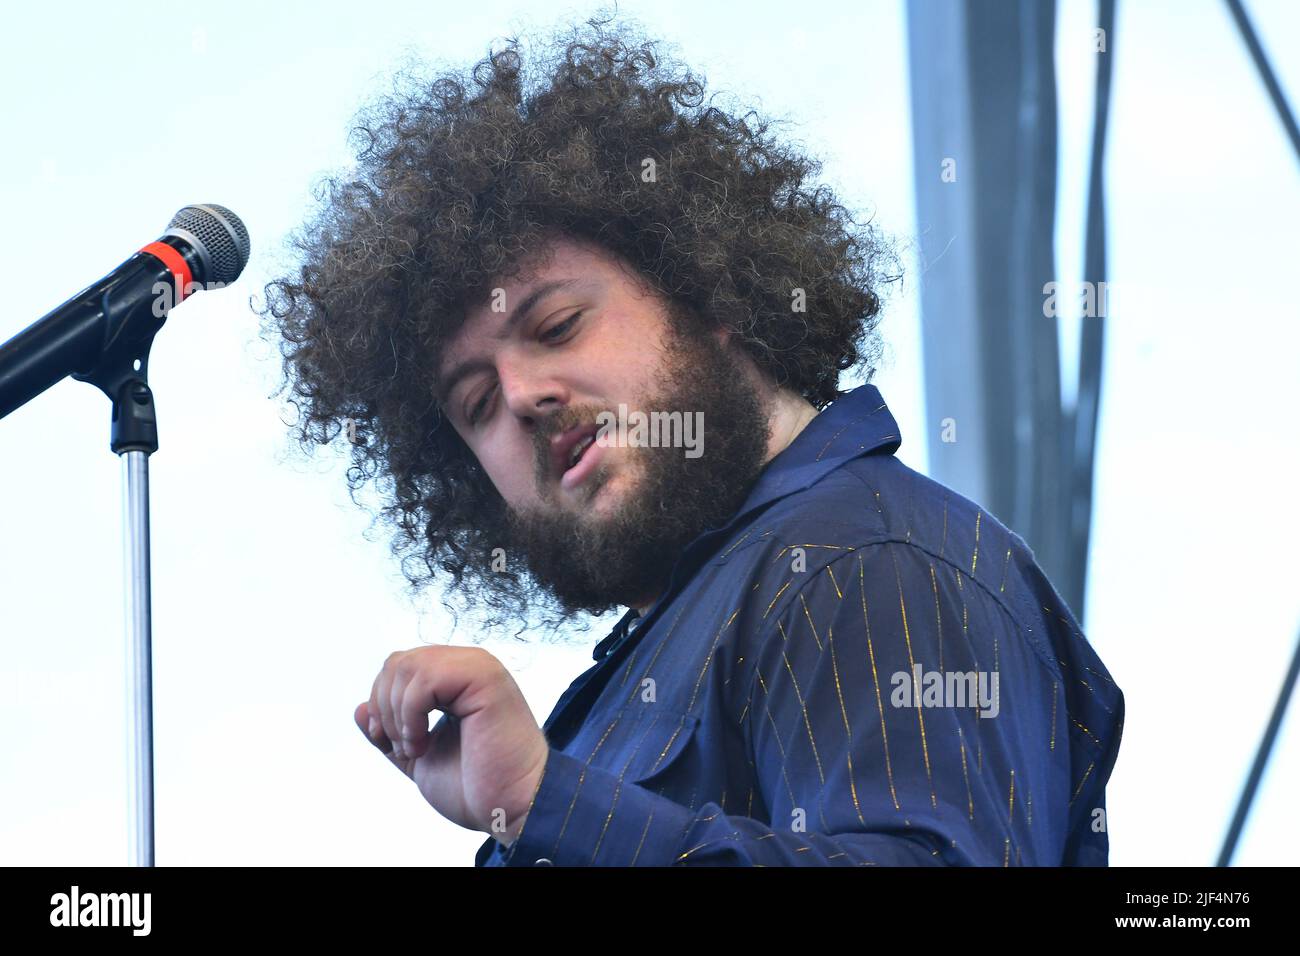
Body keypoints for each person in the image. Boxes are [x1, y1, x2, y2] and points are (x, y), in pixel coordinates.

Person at [257, 16, 1123, 866]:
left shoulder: (858, 557)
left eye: (557, 324)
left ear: (711, 295)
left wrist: (542, 799)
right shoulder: (673, 644)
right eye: (476, 401)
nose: (522, 396)